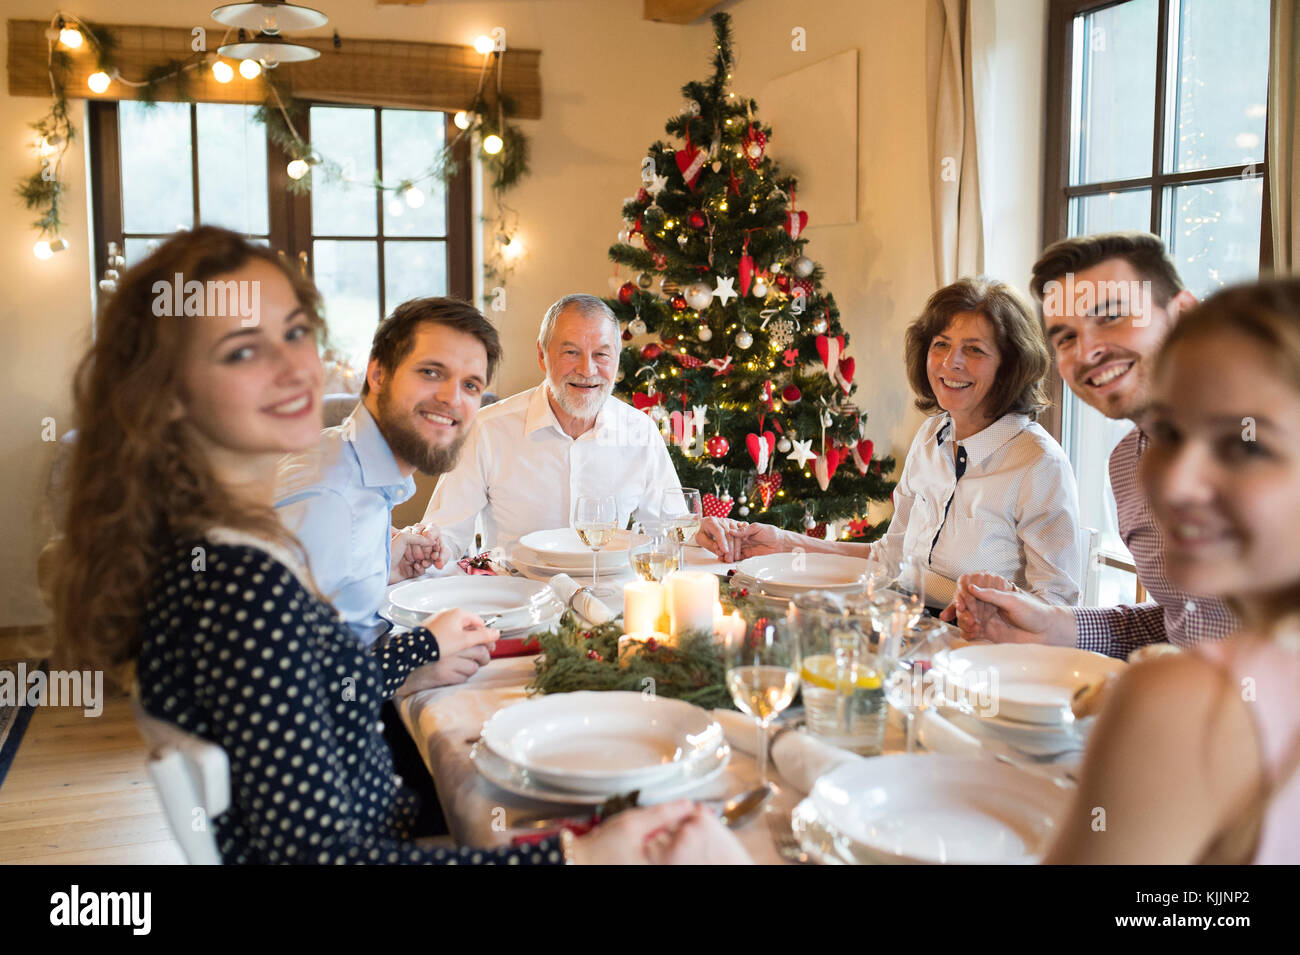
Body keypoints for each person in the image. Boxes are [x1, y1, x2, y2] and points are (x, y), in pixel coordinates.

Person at [49, 226, 745, 864]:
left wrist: (417, 650)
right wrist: (580, 857)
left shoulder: (227, 544)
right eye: (243, 349)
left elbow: (324, 693)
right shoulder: (243, 580)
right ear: (165, 389)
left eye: (296, 335)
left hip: (386, 807)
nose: (297, 368)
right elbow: (328, 861)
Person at [1045, 278, 1300, 863]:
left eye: (1246, 445)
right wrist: (1062, 626)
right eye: (1169, 431)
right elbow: (1179, 619)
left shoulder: (1185, 704)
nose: (1178, 483)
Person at [699, 276, 1082, 610]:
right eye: (941, 344)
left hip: (981, 657)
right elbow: (890, 558)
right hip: (904, 627)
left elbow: (1056, 608)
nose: (951, 362)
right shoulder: (931, 436)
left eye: (975, 350)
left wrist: (987, 607)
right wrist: (781, 542)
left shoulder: (1038, 463)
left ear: (1010, 364)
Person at [275, 297, 504, 835]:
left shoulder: (347, 467)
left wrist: (384, 560)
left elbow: (329, 617)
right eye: (432, 373)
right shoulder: (328, 499)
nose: (453, 399)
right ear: (377, 372)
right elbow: (279, 696)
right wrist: (406, 668)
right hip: (335, 789)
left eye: (471, 385)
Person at [948, 232, 1236, 657]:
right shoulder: (1127, 464)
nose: (1088, 351)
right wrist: (1051, 625)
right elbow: (1190, 620)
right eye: (1065, 337)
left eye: (1110, 317)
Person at [421, 293, 682, 561]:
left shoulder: (640, 432)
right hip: (515, 597)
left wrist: (704, 535)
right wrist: (428, 546)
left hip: (612, 598)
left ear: (617, 358)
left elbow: (672, 534)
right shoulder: (486, 430)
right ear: (542, 355)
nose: (587, 369)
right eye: (571, 352)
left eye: (601, 354)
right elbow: (445, 535)